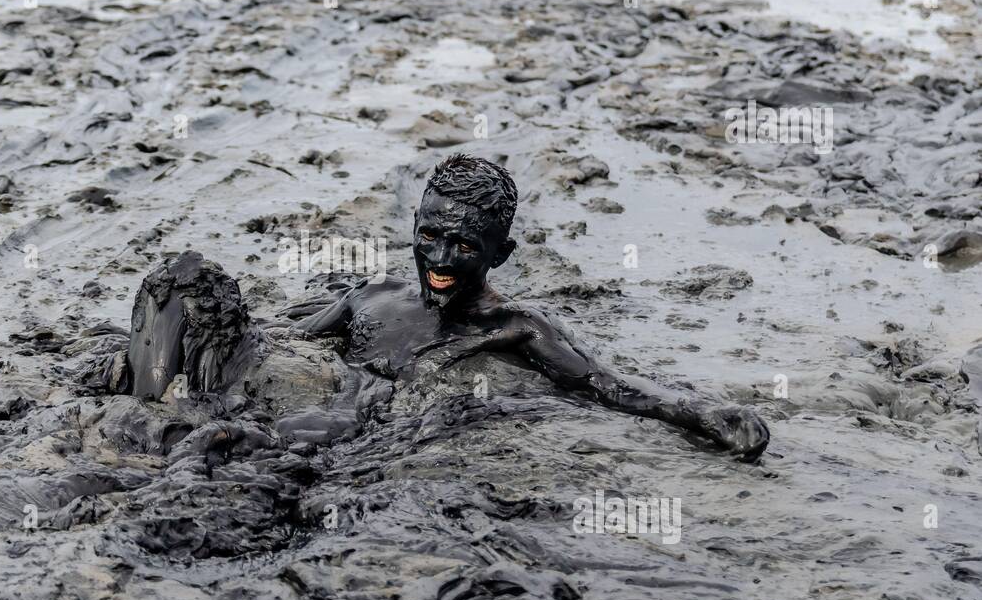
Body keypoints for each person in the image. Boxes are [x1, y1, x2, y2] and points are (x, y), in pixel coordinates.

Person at [121, 154, 769, 460]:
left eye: (464, 245)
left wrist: (701, 411)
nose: (439, 256)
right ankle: (148, 403)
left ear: (501, 251)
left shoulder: (517, 328)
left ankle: (203, 440)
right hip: (287, 393)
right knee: (185, 279)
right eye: (429, 235)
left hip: (348, 428)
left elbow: (612, 387)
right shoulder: (369, 294)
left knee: (293, 427)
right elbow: (283, 339)